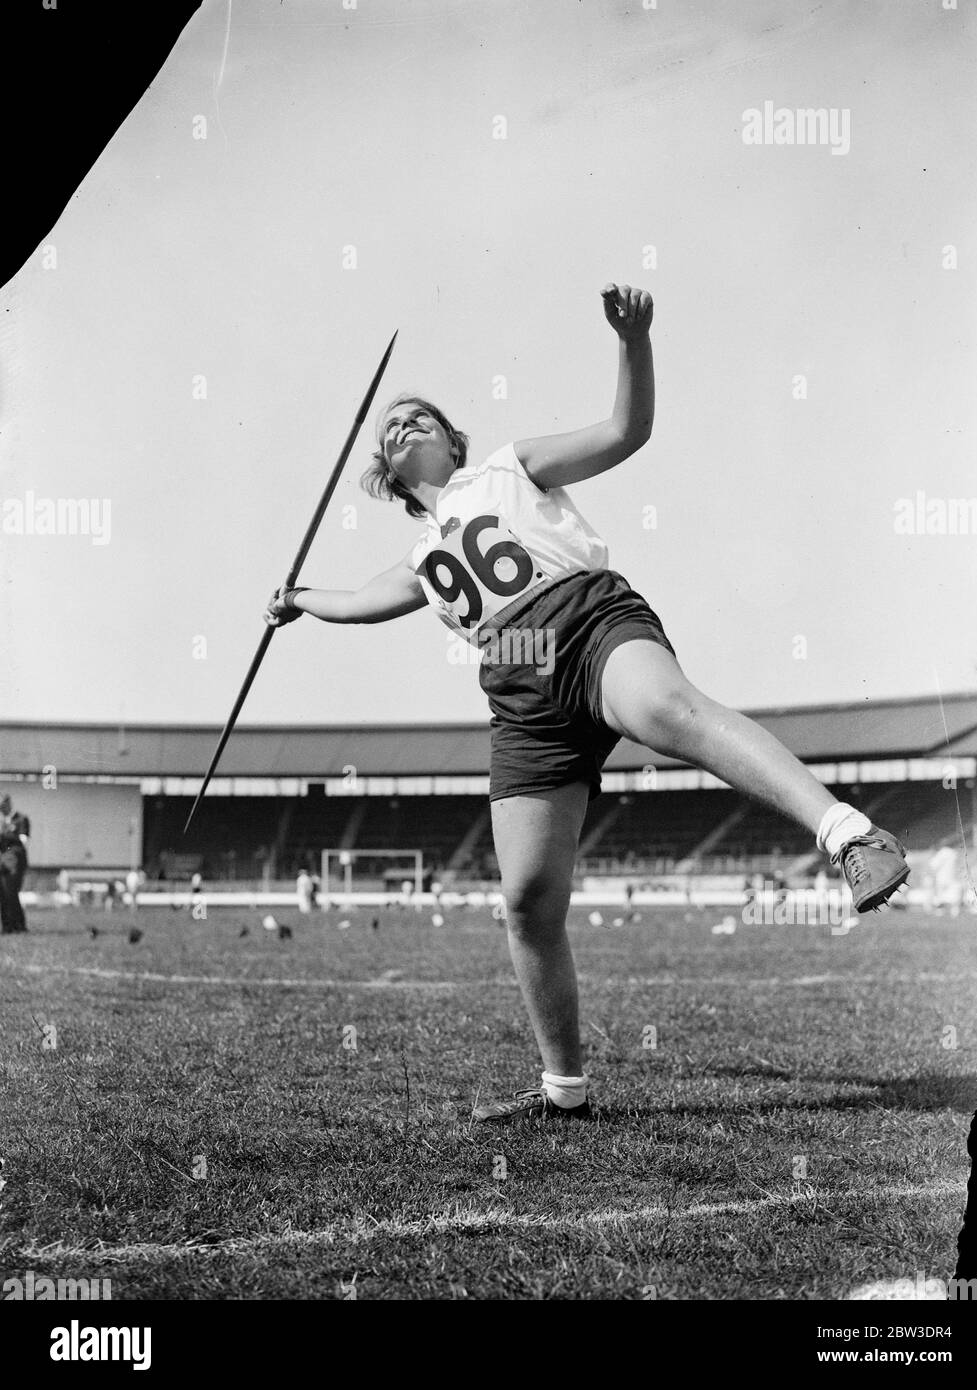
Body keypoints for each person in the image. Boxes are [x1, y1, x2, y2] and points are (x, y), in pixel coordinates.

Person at [264, 283, 910, 1123]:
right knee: (528, 898)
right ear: (386, 473)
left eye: (419, 416)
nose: (405, 425)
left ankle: (852, 836)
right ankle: (563, 1091)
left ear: (451, 438)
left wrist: (632, 342)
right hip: (519, 691)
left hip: (586, 619)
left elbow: (623, 432)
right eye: (392, 428)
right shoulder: (423, 560)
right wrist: (298, 599)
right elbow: (352, 601)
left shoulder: (509, 465)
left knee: (670, 714)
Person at [0, 793, 31, 934]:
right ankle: (7, 927)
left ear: (8, 803)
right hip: (2, 861)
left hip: (15, 861)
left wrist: (4, 835)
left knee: (11, 892)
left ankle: (19, 926)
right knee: (3, 894)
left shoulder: (21, 819)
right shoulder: (1, 822)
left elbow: (23, 840)